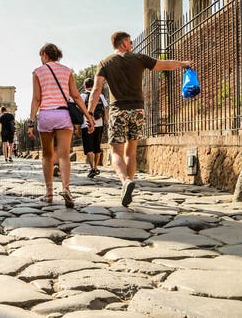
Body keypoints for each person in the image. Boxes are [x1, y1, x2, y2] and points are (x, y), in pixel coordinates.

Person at [88, 30, 191, 207]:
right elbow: (164, 65)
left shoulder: (105, 63)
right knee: (131, 151)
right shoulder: (139, 59)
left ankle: (125, 181)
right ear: (122, 43)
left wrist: (89, 113)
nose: (132, 44)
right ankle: (129, 183)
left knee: (116, 151)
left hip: (118, 111)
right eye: (129, 41)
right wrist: (183, 63)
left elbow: (96, 90)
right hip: (137, 110)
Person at [27, 43, 94, 207]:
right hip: (64, 115)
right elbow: (77, 96)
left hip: (46, 115)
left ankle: (49, 194)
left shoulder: (38, 72)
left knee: (47, 155)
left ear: (44, 54)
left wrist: (31, 122)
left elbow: (36, 99)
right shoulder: (67, 71)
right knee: (64, 155)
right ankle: (66, 189)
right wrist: (88, 117)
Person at [81, 77, 108, 179]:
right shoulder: (100, 96)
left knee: (89, 147)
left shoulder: (82, 96)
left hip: (86, 124)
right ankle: (95, 167)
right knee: (97, 147)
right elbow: (105, 110)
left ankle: (92, 168)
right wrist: (106, 121)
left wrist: (78, 125)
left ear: (84, 86)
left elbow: (80, 110)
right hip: (99, 124)